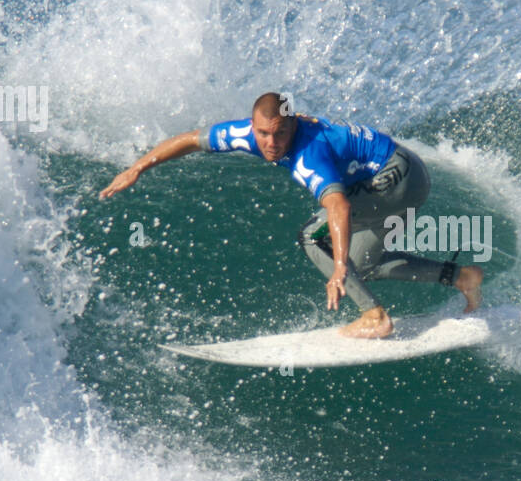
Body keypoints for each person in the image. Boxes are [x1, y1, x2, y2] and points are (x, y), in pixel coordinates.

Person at [99, 92, 483, 338]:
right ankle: (462, 277)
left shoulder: (308, 153)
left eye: (280, 133)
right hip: (400, 172)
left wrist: (336, 268)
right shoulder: (246, 134)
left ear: (294, 124)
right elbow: (190, 140)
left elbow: (339, 206)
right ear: (252, 126)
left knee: (312, 237)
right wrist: (138, 167)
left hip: (398, 179)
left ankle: (375, 317)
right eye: (264, 133)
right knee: (362, 267)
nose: (271, 142)